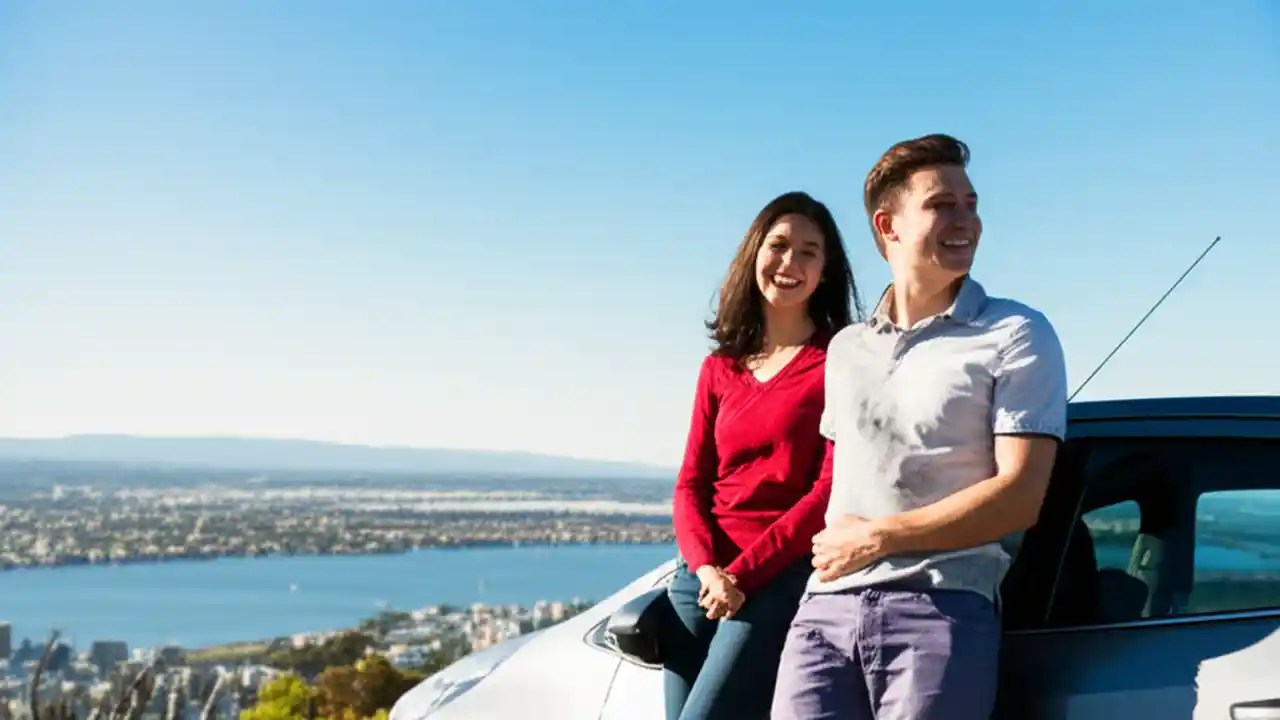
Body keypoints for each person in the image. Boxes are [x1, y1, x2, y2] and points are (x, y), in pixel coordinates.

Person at [770, 134, 1068, 720]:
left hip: (941, 610)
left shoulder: (1015, 334)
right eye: (943, 204)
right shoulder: (845, 349)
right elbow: (837, 489)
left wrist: (881, 537)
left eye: (972, 203)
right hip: (823, 615)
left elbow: (1021, 497)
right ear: (889, 225)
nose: (967, 221)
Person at [664, 191, 863, 720]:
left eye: (808, 251)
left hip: (773, 581)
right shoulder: (720, 368)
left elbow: (827, 493)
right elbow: (690, 485)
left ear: (826, 270)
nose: (789, 263)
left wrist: (742, 577)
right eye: (778, 245)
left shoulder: (838, 362)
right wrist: (708, 570)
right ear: (754, 253)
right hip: (700, 581)